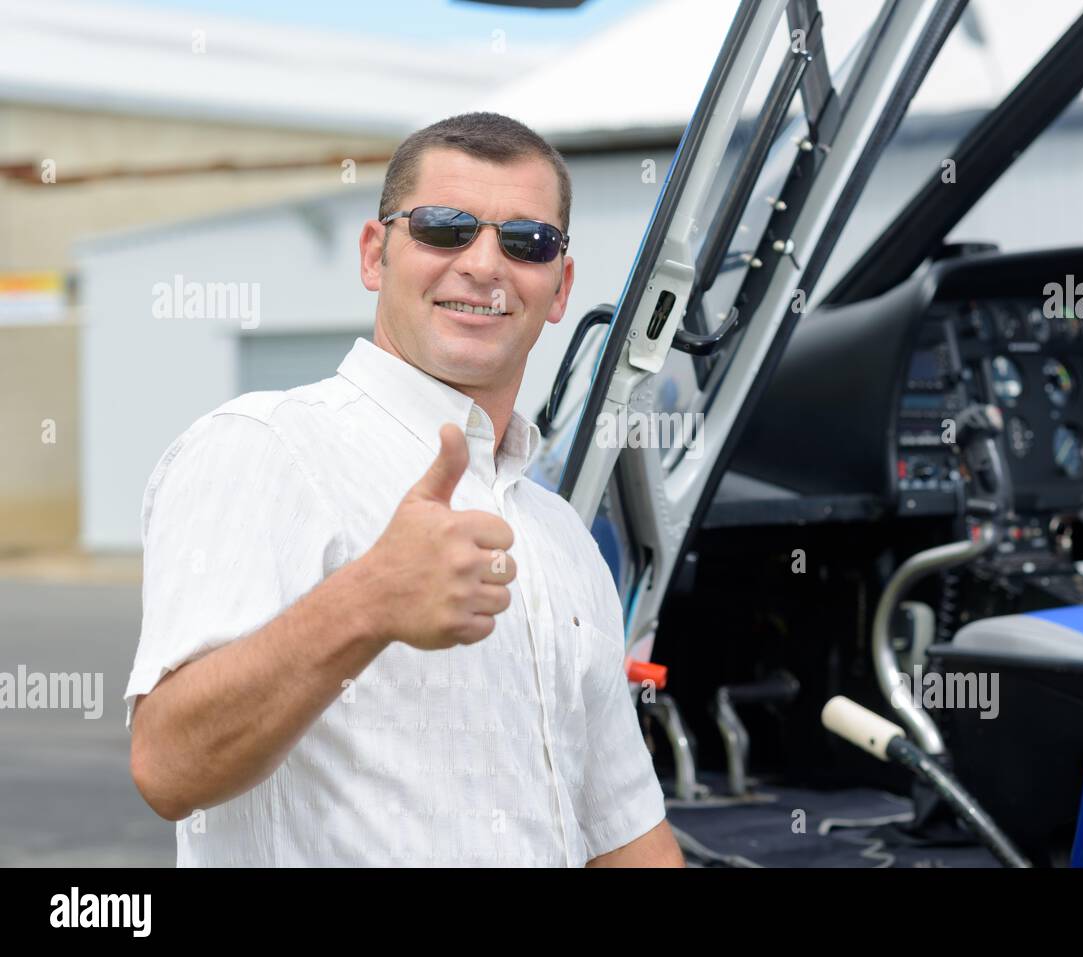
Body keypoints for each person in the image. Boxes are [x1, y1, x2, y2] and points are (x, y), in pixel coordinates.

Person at [125, 111, 683, 867]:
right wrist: (368, 601)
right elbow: (169, 766)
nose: (485, 264)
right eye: (444, 228)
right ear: (373, 254)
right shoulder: (264, 445)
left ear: (560, 287)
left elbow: (622, 831)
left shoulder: (560, 535)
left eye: (528, 242)